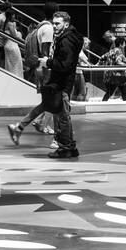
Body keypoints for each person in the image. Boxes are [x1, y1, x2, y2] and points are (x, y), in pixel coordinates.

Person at [7, 2, 59, 144]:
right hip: (46, 70)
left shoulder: (39, 27)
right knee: (57, 102)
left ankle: (19, 127)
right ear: (55, 15)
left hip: (41, 69)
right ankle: (59, 139)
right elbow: (46, 52)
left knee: (48, 103)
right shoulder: (48, 29)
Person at [38, 11, 82, 158]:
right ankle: (69, 147)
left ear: (66, 24)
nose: (54, 26)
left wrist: (48, 62)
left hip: (62, 83)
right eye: (54, 23)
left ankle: (65, 148)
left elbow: (65, 65)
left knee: (62, 117)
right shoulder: (70, 37)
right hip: (64, 83)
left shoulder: (66, 40)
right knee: (63, 116)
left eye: (57, 23)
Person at [101, 36, 126, 102]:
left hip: (111, 75)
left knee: (121, 91)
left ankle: (103, 103)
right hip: (118, 75)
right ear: (120, 44)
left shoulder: (111, 51)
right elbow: (118, 61)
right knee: (120, 91)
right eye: (124, 43)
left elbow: (102, 57)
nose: (125, 45)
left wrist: (96, 65)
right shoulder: (118, 51)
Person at [2, 13, 24, 79]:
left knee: (10, 63)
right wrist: (24, 41)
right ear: (10, 16)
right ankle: (17, 78)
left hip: (8, 45)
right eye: (13, 15)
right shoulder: (10, 24)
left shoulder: (6, 23)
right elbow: (14, 36)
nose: (14, 17)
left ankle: (10, 77)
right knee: (17, 63)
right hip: (12, 45)